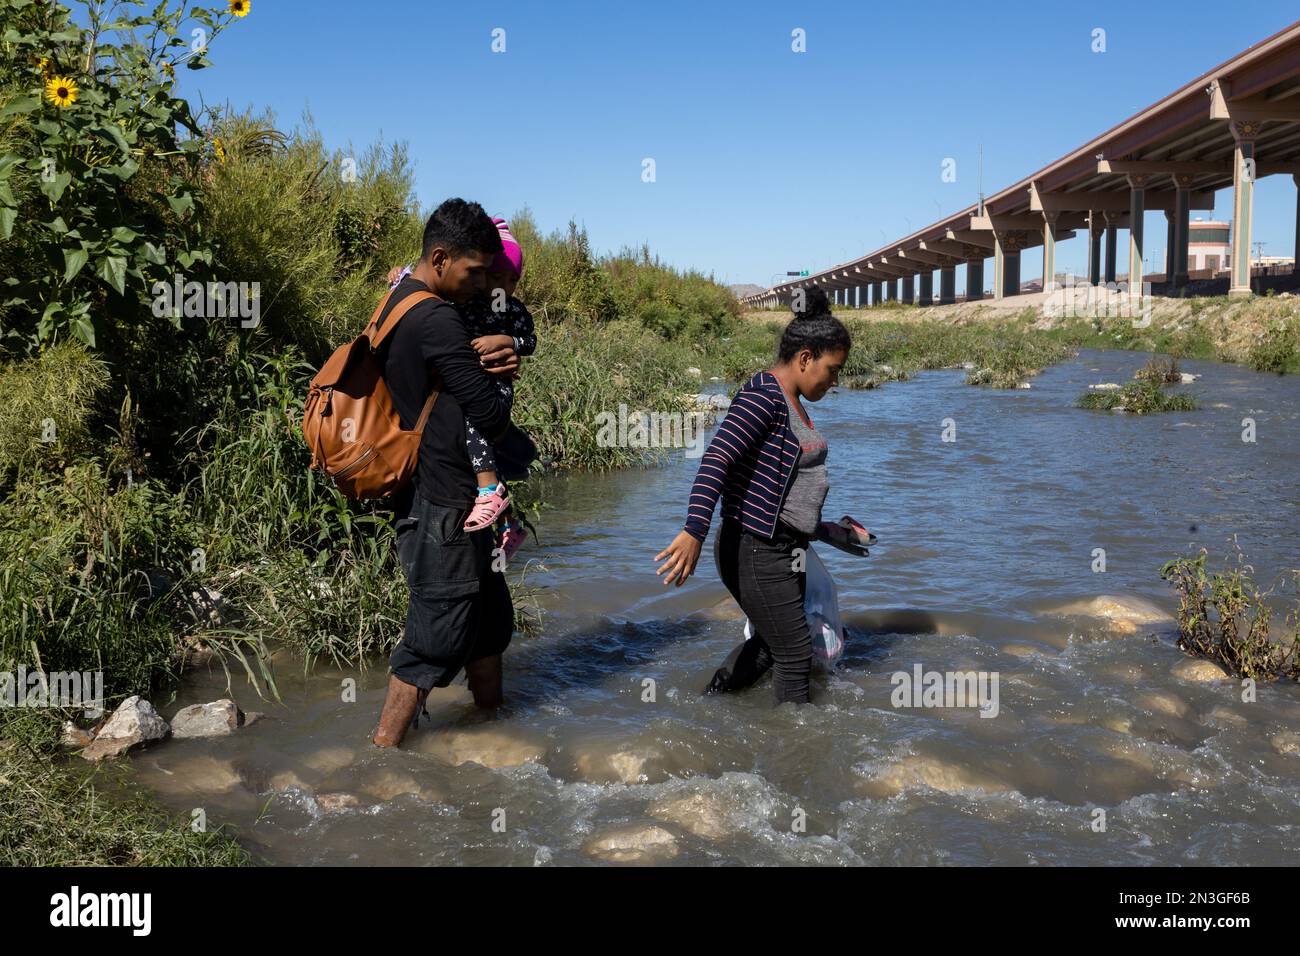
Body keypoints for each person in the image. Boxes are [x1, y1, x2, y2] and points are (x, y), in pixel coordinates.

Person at [371, 198, 521, 748]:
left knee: (486, 627)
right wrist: (506, 364)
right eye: (474, 271)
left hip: (441, 494)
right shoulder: (436, 317)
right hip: (445, 501)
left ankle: (492, 731)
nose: (484, 284)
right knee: (432, 639)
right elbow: (490, 416)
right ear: (439, 258)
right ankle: (381, 758)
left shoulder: (401, 297)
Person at [654, 286, 851, 705]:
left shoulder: (791, 402)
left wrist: (828, 531)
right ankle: (796, 752)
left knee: (772, 644)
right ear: (804, 358)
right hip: (756, 550)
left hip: (782, 548)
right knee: (796, 654)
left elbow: (778, 490)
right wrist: (694, 530)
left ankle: (709, 706)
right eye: (832, 370)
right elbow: (716, 460)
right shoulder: (763, 397)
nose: (835, 381)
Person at [389, 217, 537, 557]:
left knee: (477, 424)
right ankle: (506, 518)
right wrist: (401, 276)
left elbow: (529, 340)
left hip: (493, 387)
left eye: (511, 279)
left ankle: (490, 492)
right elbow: (430, 286)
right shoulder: (461, 302)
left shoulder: (511, 310)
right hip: (442, 456)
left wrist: (508, 341)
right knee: (480, 438)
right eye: (493, 276)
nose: (502, 286)